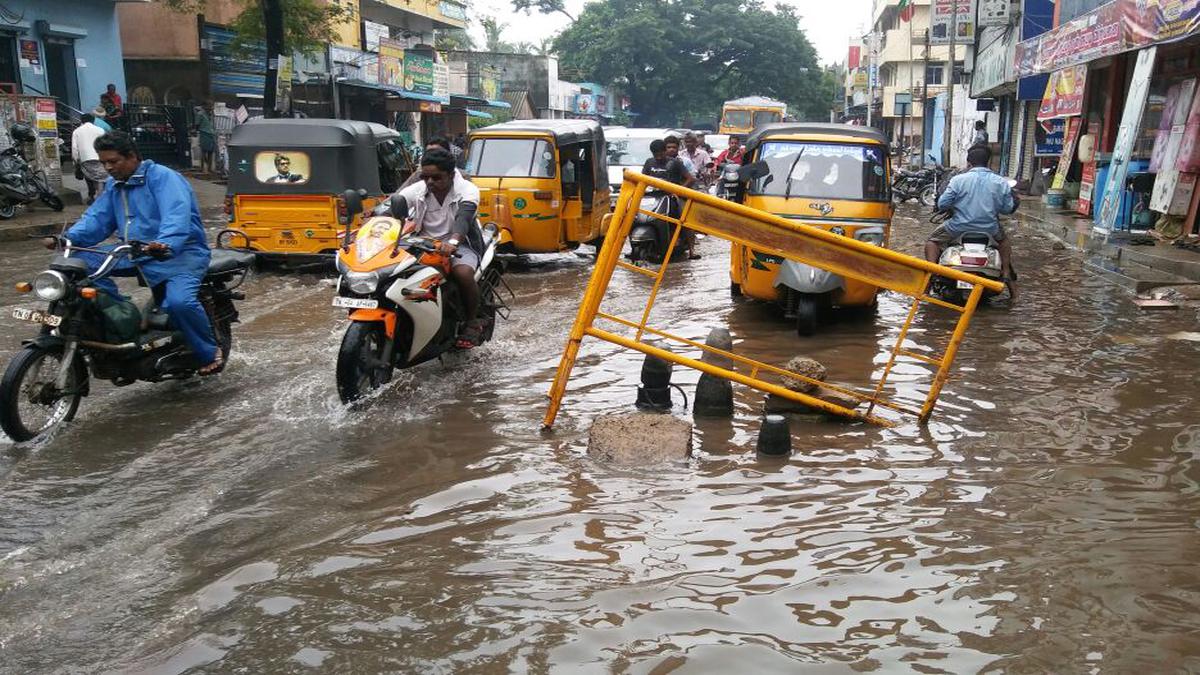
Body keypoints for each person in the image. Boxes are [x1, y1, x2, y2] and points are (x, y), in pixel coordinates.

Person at [51, 131, 223, 374]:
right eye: (103, 163)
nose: (108, 168)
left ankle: (208, 352)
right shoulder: (114, 185)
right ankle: (121, 317)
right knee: (75, 262)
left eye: (113, 161)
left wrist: (165, 243)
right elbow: (96, 219)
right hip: (133, 251)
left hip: (180, 254)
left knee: (179, 303)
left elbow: (177, 215)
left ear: (132, 157)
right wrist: (67, 239)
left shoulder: (164, 178)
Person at [391, 149, 486, 348]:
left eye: (436, 177)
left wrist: (452, 242)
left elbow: (464, 218)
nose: (430, 182)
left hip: (461, 245)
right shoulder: (417, 189)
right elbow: (392, 205)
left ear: (451, 175)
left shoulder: (467, 190)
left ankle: (472, 322)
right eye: (426, 177)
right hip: (422, 245)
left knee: (463, 273)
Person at [927, 144, 1019, 300]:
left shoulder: (958, 180)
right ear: (988, 162)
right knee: (1004, 243)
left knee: (932, 242)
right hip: (990, 229)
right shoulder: (1000, 182)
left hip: (957, 227)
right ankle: (1005, 274)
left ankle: (931, 274)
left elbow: (942, 204)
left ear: (968, 163)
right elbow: (1008, 208)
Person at [641, 139, 700, 259]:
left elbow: (690, 178)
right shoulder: (649, 163)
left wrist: (679, 190)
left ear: (664, 152)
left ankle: (692, 250)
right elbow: (642, 180)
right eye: (655, 154)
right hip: (653, 197)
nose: (658, 157)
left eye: (660, 154)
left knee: (685, 220)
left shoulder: (675, 163)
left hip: (673, 197)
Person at [71, 113, 108, 204]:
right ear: (93, 120)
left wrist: (76, 161)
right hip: (100, 157)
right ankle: (103, 196)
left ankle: (92, 196)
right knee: (101, 178)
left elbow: (74, 149)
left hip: (85, 159)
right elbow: (105, 144)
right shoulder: (100, 130)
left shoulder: (77, 131)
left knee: (89, 177)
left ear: (81, 121)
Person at [194, 103, 216, 175]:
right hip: (204, 133)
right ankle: (202, 168)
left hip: (212, 134)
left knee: (211, 152)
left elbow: (213, 124)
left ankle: (210, 168)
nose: (211, 108)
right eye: (210, 106)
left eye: (212, 107)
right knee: (204, 151)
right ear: (205, 107)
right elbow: (197, 124)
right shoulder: (200, 114)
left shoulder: (212, 114)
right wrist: (196, 130)